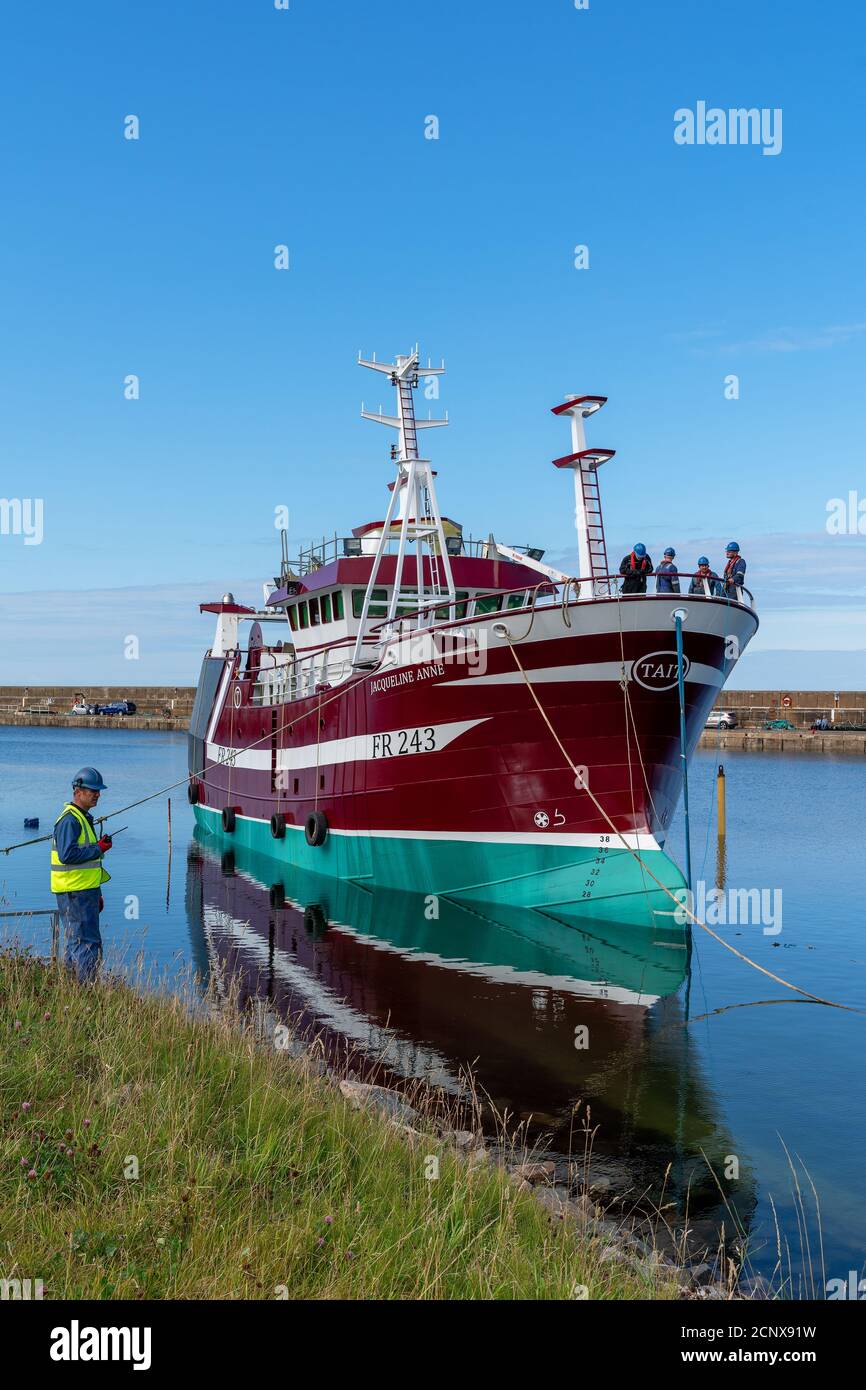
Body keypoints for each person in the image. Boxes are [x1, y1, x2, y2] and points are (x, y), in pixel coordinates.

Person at [50, 768, 113, 983]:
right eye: (92, 790)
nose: (97, 794)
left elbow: (84, 861)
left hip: (84, 891)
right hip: (75, 892)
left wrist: (97, 894)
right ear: (78, 790)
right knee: (87, 943)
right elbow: (68, 855)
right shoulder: (70, 820)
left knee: (75, 941)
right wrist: (98, 849)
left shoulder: (81, 818)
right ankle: (87, 990)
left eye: (98, 790)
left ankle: (72, 988)